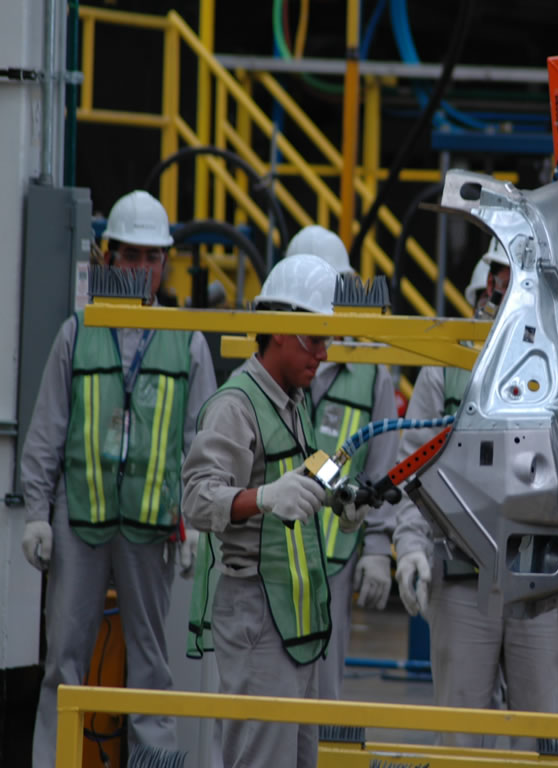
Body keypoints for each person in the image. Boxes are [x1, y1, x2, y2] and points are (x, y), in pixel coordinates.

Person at [20, 189, 217, 766]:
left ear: (165, 264)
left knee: (151, 665)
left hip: (151, 527)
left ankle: (153, 763)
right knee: (64, 663)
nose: (140, 268)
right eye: (129, 255)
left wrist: (196, 521)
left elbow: (200, 445)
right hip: (79, 519)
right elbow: (47, 432)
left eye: (151, 257)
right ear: (108, 259)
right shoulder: (76, 332)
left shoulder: (189, 342)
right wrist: (36, 514)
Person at [182, 252, 366, 768]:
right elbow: (197, 496)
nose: (325, 353)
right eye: (314, 339)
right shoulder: (235, 405)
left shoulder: (292, 398)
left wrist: (340, 494)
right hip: (257, 615)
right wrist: (261, 498)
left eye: (328, 339)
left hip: (297, 615)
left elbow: (308, 463)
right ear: (279, 331)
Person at [391, 239, 558, 748]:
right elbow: (413, 471)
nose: (508, 286)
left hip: (542, 581)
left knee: (544, 743)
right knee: (461, 740)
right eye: (501, 275)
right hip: (461, 579)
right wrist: (408, 548)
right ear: (484, 285)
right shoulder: (445, 366)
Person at [286, 225, 400, 700]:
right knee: (267, 690)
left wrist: (377, 549)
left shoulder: (372, 370)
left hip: (334, 559)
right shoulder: (274, 361)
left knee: (323, 689)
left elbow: (383, 468)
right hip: (270, 557)